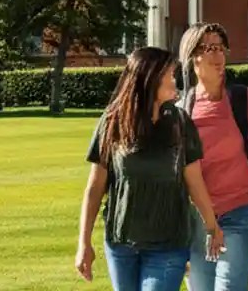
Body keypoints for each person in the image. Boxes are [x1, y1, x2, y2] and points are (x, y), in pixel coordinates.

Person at [74, 46, 224, 290]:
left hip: (168, 245)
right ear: (151, 78)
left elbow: (194, 182)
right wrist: (84, 242)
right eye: (169, 74)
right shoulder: (113, 121)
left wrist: (212, 226)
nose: (175, 79)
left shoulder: (179, 123)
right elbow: (94, 188)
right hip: (121, 244)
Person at [176, 22, 248, 291]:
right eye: (209, 48)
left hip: (242, 212)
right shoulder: (182, 110)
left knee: (229, 287)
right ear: (192, 57)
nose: (218, 56)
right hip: (199, 218)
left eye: (221, 48)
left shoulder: (246, 101)